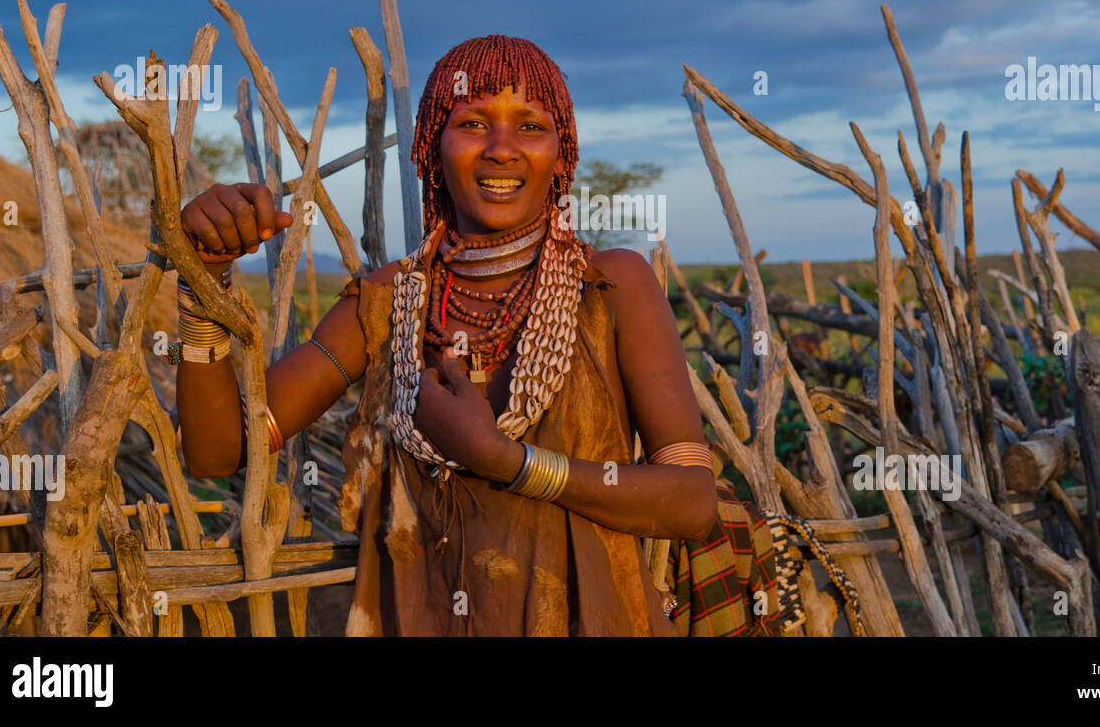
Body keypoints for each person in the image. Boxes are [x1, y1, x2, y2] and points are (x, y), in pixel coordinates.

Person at [175, 35, 717, 635]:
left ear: (562, 155)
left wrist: (506, 460)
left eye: (531, 127)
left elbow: (693, 503)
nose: (502, 150)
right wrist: (203, 282)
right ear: (433, 148)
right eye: (474, 123)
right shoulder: (387, 302)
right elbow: (219, 450)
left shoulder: (610, 286)